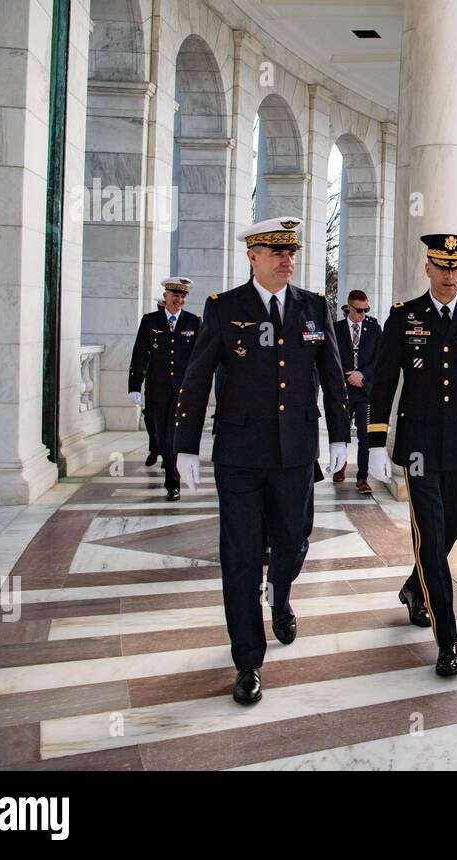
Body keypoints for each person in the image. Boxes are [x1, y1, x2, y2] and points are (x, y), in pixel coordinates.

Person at [173, 217, 350, 705]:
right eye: (276, 252)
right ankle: (247, 660)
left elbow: (332, 376)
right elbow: (196, 376)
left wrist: (340, 436)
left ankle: (283, 593)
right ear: (252, 256)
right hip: (239, 456)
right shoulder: (225, 308)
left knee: (293, 541)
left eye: (291, 252)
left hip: (295, 453)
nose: (287, 260)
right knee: (241, 558)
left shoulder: (314, 308)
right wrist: (184, 444)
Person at [366, 233, 457, 676]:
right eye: (442, 267)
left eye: (456, 267)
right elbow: (384, 380)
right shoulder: (404, 317)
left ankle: (413, 588)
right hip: (420, 445)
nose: (449, 275)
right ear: (427, 268)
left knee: (453, 526)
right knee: (429, 533)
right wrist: (373, 442)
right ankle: (448, 640)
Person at [128, 278, 200, 500]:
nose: (179, 300)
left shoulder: (193, 322)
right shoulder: (150, 321)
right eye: (175, 296)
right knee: (160, 437)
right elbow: (140, 353)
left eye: (182, 296)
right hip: (157, 389)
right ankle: (161, 456)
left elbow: (200, 358)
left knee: (173, 438)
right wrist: (134, 385)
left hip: (182, 392)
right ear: (165, 296)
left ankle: (173, 483)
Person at [332, 289, 381, 491]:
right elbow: (330, 357)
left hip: (364, 390)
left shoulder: (374, 327)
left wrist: (363, 375)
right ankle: (340, 465)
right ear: (349, 308)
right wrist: (347, 376)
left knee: (365, 436)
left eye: (366, 309)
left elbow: (380, 356)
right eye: (359, 310)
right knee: (341, 433)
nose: (363, 314)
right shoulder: (335, 328)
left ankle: (362, 478)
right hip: (343, 390)